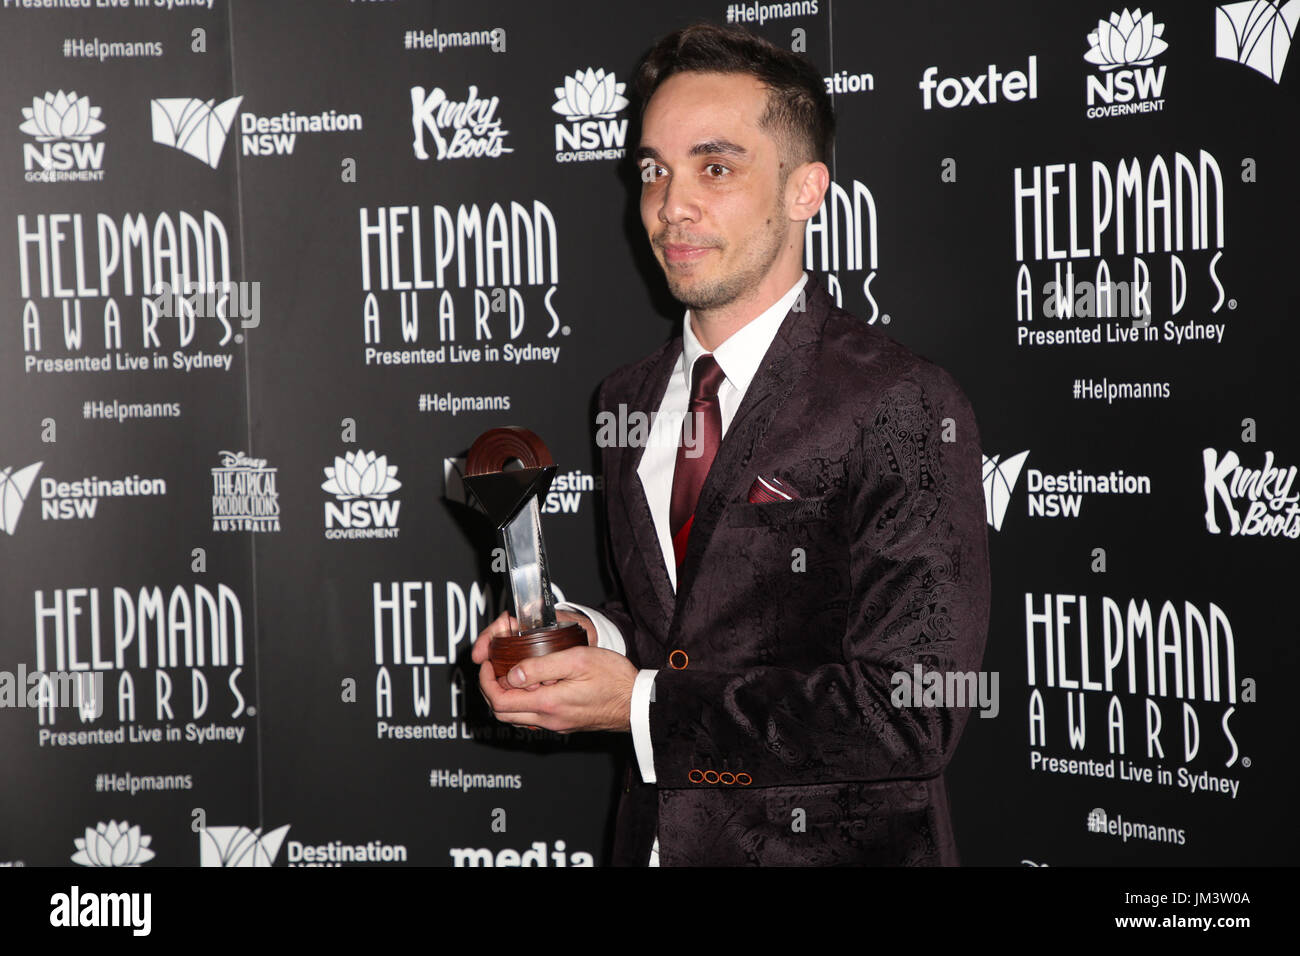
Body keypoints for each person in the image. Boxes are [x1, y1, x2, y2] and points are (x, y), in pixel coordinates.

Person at [472, 22, 990, 866]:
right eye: (653, 171)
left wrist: (637, 705)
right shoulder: (628, 399)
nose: (671, 203)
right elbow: (679, 635)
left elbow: (913, 715)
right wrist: (579, 640)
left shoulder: (901, 402)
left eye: (715, 168)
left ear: (805, 190)